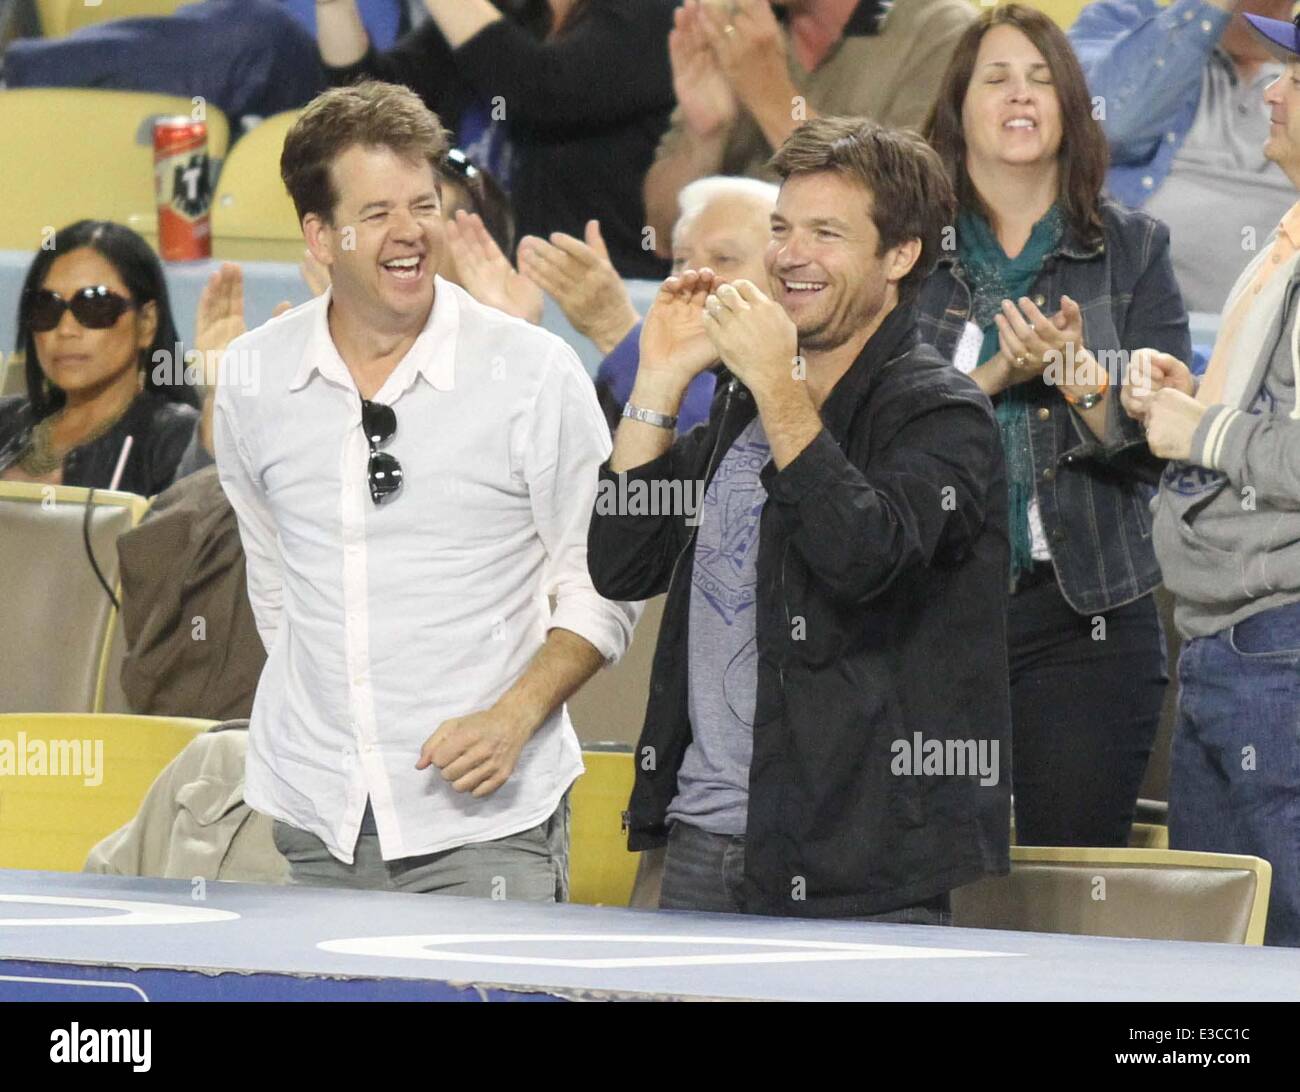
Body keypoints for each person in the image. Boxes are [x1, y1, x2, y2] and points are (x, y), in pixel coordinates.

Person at [215, 81, 638, 901]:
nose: (410, 233)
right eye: (376, 213)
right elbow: (275, 580)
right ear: (319, 232)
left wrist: (516, 714)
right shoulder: (253, 378)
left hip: (485, 829)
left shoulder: (531, 372)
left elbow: (606, 578)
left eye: (424, 204)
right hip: (314, 821)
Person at [587, 117, 1011, 919]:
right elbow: (621, 563)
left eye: (826, 233)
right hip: (699, 842)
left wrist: (779, 389)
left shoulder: (940, 414)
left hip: (859, 866)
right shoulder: (743, 408)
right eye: (782, 229)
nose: (790, 255)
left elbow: (863, 557)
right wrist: (661, 379)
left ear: (900, 256)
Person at [917, 5, 1190, 849]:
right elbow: (885, 435)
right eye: (996, 79)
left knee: (1068, 884)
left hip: (1086, 618)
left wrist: (1075, 374)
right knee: (925, 876)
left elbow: (1163, 444)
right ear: (957, 109)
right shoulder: (904, 252)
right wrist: (997, 373)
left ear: (1072, 107)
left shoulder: (1133, 249)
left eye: (1042, 79)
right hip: (927, 611)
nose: (1020, 95)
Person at [1122, 11, 1300, 947]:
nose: (1269, 91)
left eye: (1297, 83)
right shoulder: (1287, 232)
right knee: (1224, 961)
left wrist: (1209, 425)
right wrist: (1199, 393)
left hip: (1282, 645)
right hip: (1231, 641)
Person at [316, 0, 677, 277]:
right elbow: (370, 105)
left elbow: (541, 90)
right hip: (482, 290)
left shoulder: (653, 15)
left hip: (609, 296)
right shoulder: (510, 10)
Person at [643, 0, 975, 257]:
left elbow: (904, 219)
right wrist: (706, 135)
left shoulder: (941, 30)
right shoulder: (741, 30)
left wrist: (768, 93)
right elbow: (660, 234)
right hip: (724, 306)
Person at [1071, 0, 1297, 314]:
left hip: (1276, 334)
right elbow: (1106, 129)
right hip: (1137, 332)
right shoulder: (1120, 24)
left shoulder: (1290, 66)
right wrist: (1206, 12)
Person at [520, 175, 779, 433]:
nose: (692, 276)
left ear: (786, 278)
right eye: (681, 260)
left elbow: (712, 452)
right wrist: (516, 333)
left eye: (724, 258)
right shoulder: (618, 382)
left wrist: (616, 330)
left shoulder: (802, 371)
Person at [0, 221, 198, 496]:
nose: (65, 330)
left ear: (146, 322)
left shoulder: (176, 438)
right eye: (47, 307)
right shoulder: (5, 421)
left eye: (95, 305)